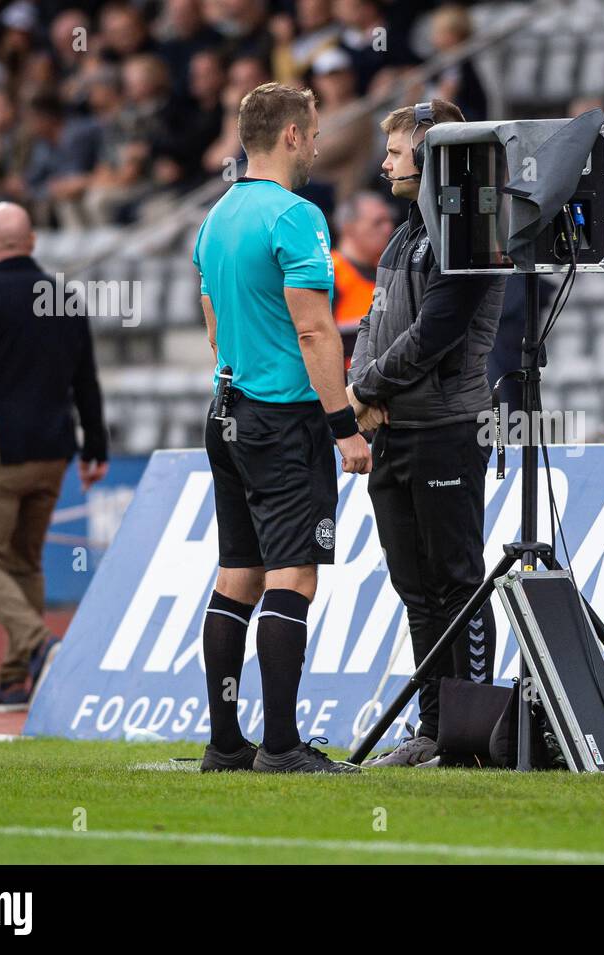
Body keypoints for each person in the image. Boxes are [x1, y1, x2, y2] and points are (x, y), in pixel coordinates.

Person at [192, 81, 371, 774]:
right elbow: (314, 326)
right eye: (315, 131)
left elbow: (213, 327)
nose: (320, 143)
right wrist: (344, 426)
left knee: (237, 573)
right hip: (282, 419)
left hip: (226, 410)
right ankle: (283, 744)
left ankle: (225, 743)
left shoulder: (216, 217)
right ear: (292, 135)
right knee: (292, 575)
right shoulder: (297, 216)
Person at [348, 99, 505, 767]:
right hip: (396, 431)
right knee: (416, 587)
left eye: (397, 151)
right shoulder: (407, 230)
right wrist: (362, 391)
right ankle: (434, 729)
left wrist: (368, 389)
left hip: (445, 429)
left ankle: (467, 738)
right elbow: (374, 325)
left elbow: (434, 336)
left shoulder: (468, 233)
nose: (385, 162)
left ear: (435, 155)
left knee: (458, 581)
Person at [0, 202, 108, 708]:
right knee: (25, 561)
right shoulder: (63, 298)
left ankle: (39, 645)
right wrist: (94, 447)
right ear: (31, 241)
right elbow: (86, 381)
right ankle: (15, 680)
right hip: (53, 450)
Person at [332, 190, 395, 367]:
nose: (388, 228)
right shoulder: (331, 272)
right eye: (378, 222)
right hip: (346, 383)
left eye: (388, 220)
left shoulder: (389, 272)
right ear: (349, 227)